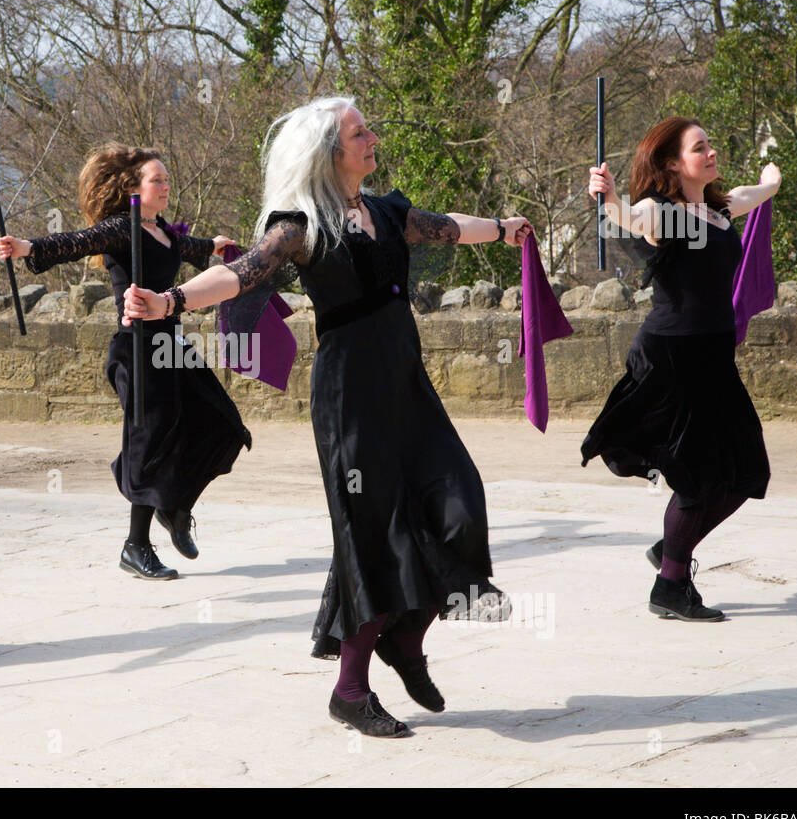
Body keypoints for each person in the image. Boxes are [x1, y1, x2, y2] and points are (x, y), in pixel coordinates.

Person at [120, 97, 531, 737]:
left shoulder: (388, 212)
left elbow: (447, 225)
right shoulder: (300, 226)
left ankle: (406, 641)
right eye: (358, 132)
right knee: (372, 536)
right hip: (350, 400)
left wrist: (504, 227)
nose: (372, 137)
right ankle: (350, 690)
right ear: (328, 152)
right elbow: (240, 274)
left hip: (407, 389)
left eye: (368, 128)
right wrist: (170, 299)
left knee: (458, 505)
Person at [0, 144, 250, 581]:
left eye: (167, 180)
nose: (166, 186)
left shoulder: (162, 231)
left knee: (222, 423)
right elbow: (76, 242)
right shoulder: (121, 228)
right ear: (133, 188)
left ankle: (176, 507)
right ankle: (136, 546)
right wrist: (27, 246)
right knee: (148, 442)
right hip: (136, 349)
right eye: (157, 180)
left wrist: (213, 245)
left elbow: (184, 245)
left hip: (170, 345)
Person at [582, 117, 779, 622]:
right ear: (673, 163)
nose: (710, 152)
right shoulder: (665, 213)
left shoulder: (717, 209)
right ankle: (670, 584)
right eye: (699, 147)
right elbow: (631, 217)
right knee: (700, 476)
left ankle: (672, 547)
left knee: (747, 472)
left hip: (714, 358)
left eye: (711, 144)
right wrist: (606, 200)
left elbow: (750, 193)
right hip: (674, 356)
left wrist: (773, 180)